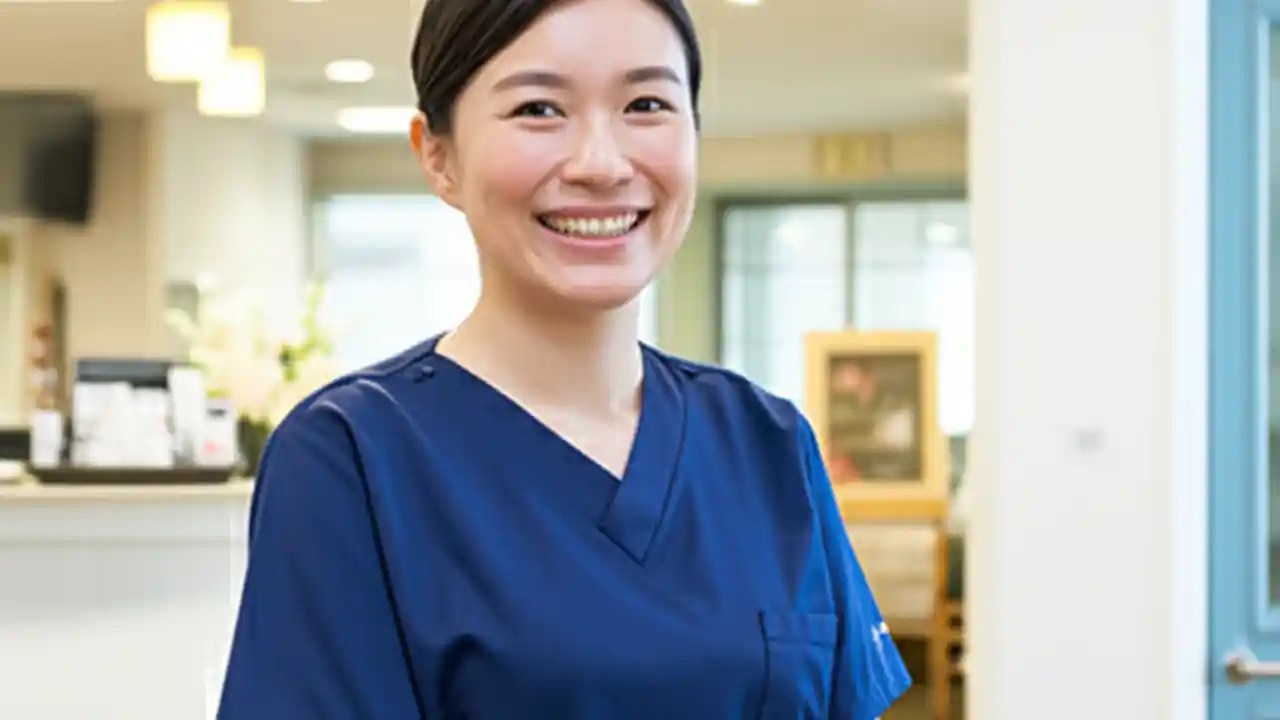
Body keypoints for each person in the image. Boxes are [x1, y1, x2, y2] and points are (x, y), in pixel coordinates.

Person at [216, 0, 911, 717]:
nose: (601, 165)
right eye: (540, 109)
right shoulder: (354, 455)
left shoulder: (767, 443)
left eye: (646, 104)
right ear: (438, 155)